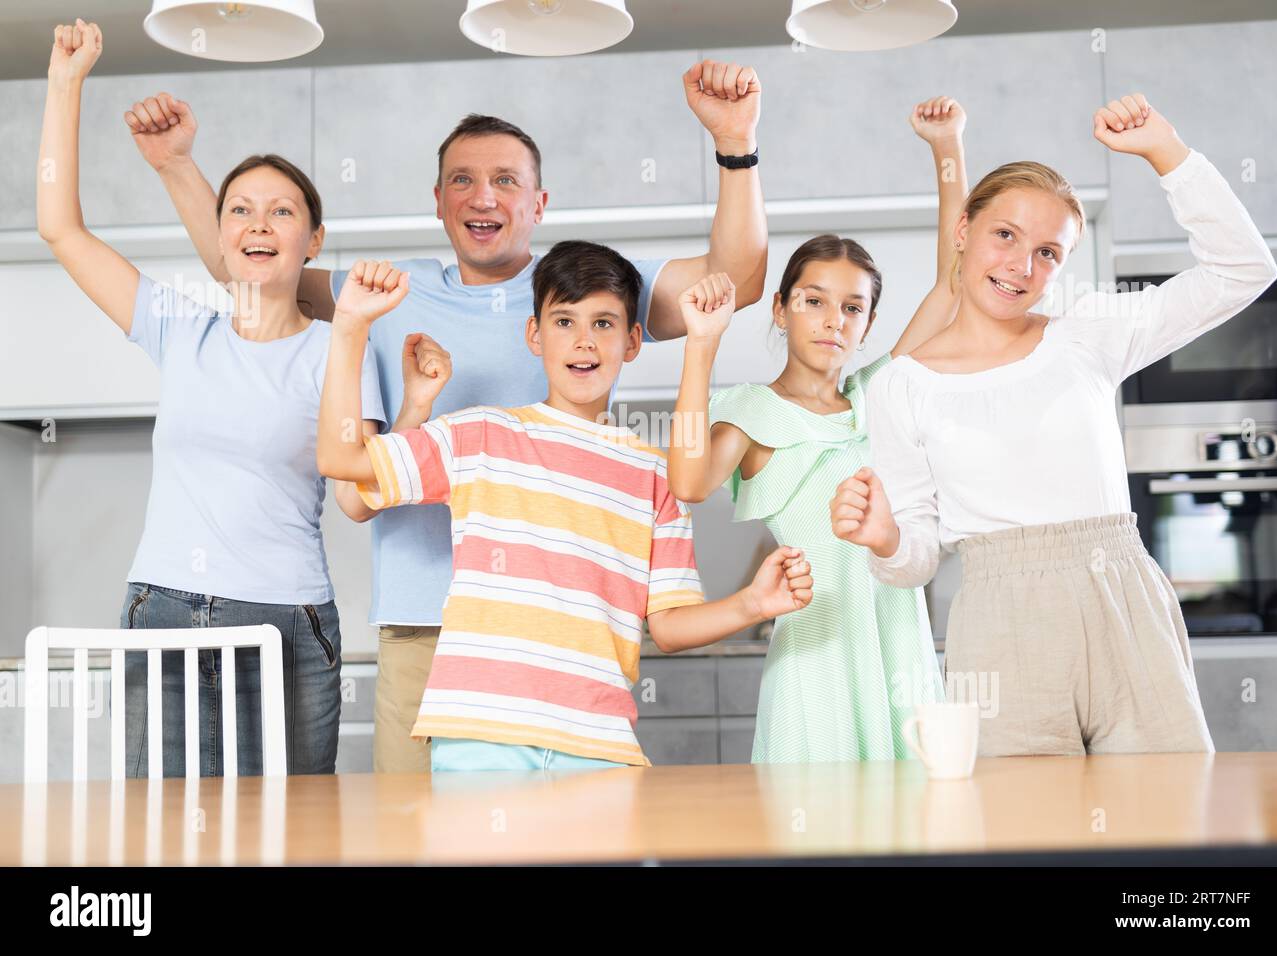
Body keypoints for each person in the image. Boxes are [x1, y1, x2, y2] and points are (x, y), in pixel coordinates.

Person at [126, 60, 770, 772]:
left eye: (506, 180)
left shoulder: (581, 287)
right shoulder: (389, 290)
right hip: (424, 620)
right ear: (438, 200)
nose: (482, 195)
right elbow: (250, 270)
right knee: (415, 836)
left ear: (540, 201)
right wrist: (179, 166)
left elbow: (734, 282)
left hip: (558, 629)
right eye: (462, 179)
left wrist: (735, 146)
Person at [831, 93, 1277, 757]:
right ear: (963, 233)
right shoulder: (903, 386)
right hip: (999, 628)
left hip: (1125, 604)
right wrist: (887, 537)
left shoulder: (1088, 334)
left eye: (1048, 252)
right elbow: (913, 562)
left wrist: (1165, 151)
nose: (1022, 266)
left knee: (1171, 822)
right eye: (1005, 235)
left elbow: (1243, 270)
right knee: (1022, 837)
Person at [316, 242, 814, 769]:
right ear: (534, 334)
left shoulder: (654, 474)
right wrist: (349, 325)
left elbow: (668, 626)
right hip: (483, 738)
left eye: (603, 323)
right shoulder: (480, 435)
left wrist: (752, 604)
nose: (583, 341)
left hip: (600, 747)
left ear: (633, 341)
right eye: (563, 321)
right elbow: (340, 456)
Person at [38, 20, 385, 775]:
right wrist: (65, 85)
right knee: (159, 841)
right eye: (240, 210)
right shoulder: (178, 329)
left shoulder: (341, 346)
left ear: (314, 241)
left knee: (293, 841)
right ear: (221, 238)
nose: (259, 224)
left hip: (285, 622)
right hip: (160, 610)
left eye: (282, 212)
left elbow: (361, 499)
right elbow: (60, 229)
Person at [665, 98, 969, 762]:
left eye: (853, 307)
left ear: (866, 325)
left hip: (899, 651)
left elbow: (955, 285)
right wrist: (699, 346)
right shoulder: (750, 411)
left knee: (917, 833)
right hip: (816, 655)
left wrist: (947, 149)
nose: (834, 319)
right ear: (780, 309)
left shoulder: (879, 395)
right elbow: (687, 483)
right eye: (813, 301)